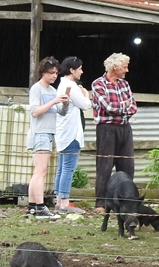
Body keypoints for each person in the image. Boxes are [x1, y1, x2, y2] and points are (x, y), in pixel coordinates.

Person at [91, 52, 137, 213]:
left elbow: (133, 107)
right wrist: (124, 106)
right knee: (105, 166)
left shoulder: (124, 84)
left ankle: (126, 201)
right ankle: (101, 203)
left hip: (125, 128)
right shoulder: (98, 84)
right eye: (124, 67)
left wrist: (122, 108)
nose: (127, 70)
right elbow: (108, 108)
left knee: (127, 166)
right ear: (115, 67)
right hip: (107, 129)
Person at [27, 57, 69, 219]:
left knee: (38, 172)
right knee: (41, 171)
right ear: (43, 72)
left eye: (56, 73)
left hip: (50, 133)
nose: (54, 76)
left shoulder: (52, 91)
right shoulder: (36, 89)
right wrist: (54, 101)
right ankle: (40, 206)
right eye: (51, 73)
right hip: (40, 133)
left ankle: (32, 206)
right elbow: (35, 112)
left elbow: (61, 111)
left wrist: (64, 103)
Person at [53, 56, 92, 213]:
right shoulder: (71, 86)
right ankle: (64, 203)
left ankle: (59, 201)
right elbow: (85, 105)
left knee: (62, 167)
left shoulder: (62, 85)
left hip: (64, 132)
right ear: (72, 70)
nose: (82, 72)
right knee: (68, 168)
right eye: (80, 69)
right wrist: (86, 95)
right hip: (71, 133)